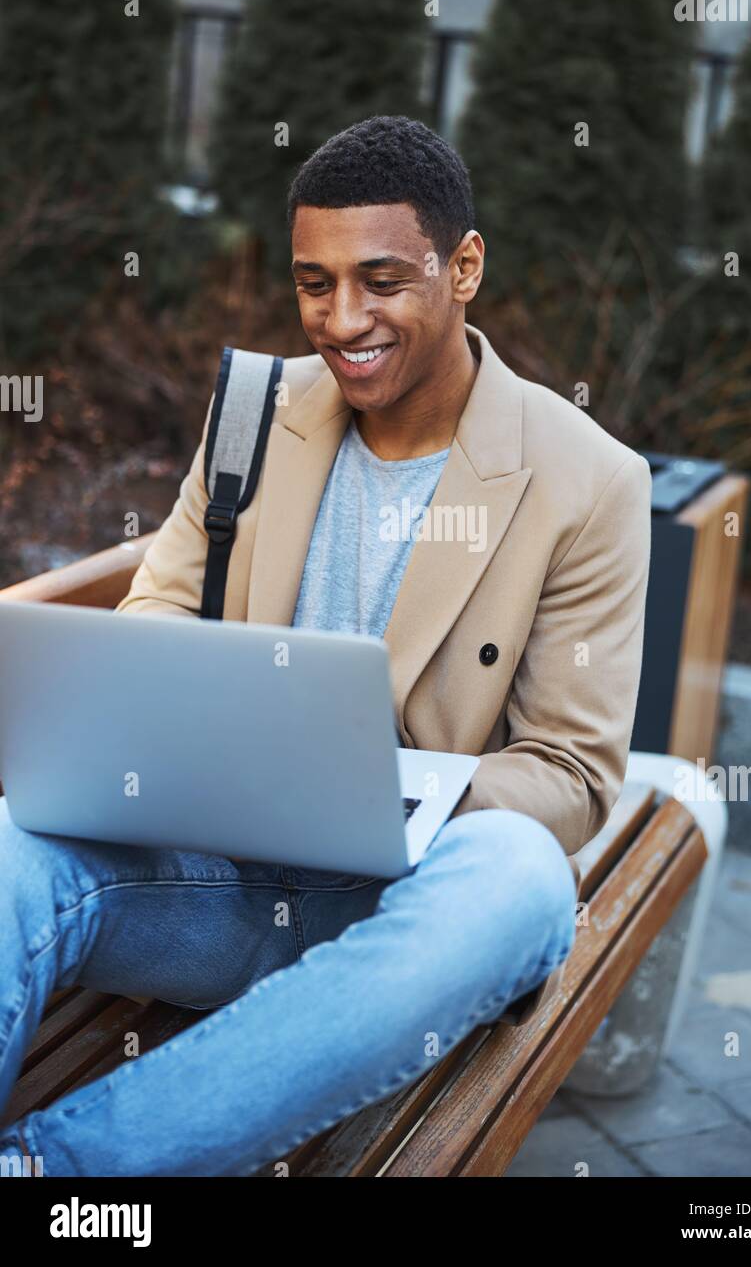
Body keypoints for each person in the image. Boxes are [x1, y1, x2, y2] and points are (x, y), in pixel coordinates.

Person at [0, 115, 651, 1176]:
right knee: (9, 845)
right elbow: (159, 611)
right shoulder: (255, 411)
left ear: (463, 267)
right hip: (210, 886)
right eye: (315, 284)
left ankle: (53, 1173)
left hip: (405, 918)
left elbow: (571, 774)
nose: (342, 321)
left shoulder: (589, 480)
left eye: (381, 281)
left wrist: (377, 788)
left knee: (524, 882)